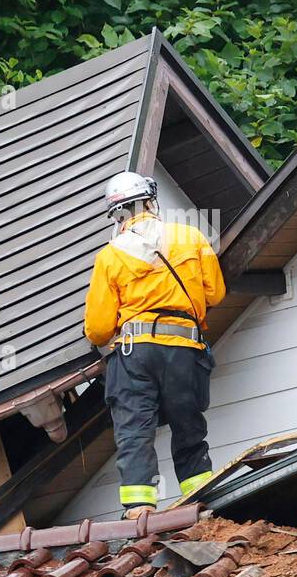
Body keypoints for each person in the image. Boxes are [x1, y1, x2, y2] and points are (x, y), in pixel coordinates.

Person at [83, 170, 225, 518]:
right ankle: (201, 499)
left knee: (134, 427)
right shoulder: (190, 238)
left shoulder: (110, 256)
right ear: (150, 200)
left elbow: (98, 329)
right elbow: (215, 294)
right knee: (187, 423)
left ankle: (139, 509)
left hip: (135, 351)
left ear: (116, 214)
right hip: (183, 348)